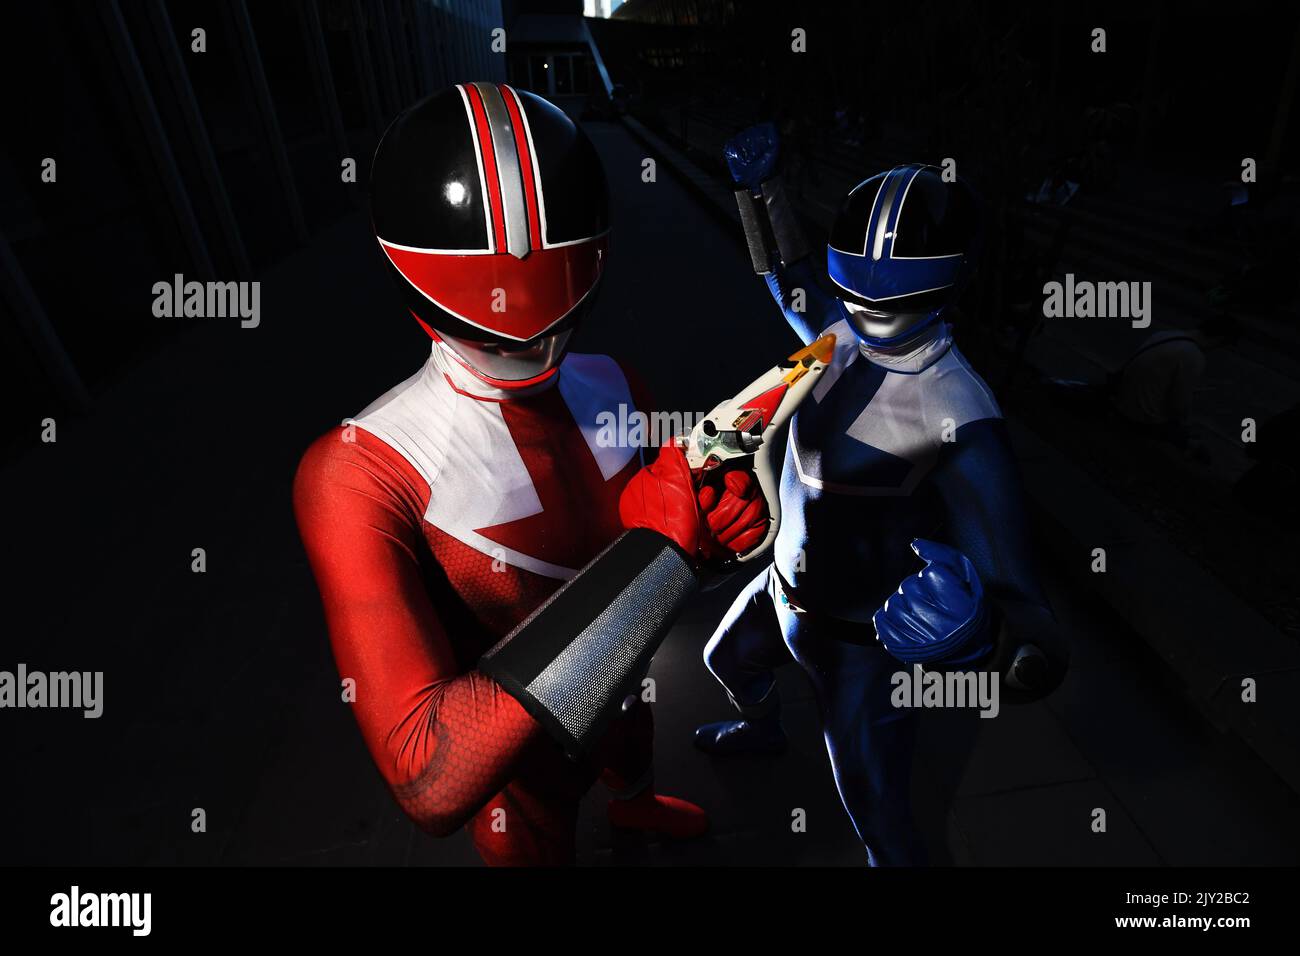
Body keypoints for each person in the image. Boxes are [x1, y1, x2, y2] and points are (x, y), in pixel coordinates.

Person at [293, 83, 766, 865]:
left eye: (556, 323)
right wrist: (665, 565)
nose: (534, 348)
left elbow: (664, 549)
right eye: (499, 333)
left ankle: (634, 806)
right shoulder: (357, 470)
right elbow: (427, 777)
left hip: (625, 695)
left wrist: (714, 540)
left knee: (631, 731)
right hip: (522, 764)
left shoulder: (616, 381)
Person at [699, 126, 1068, 865]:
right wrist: (757, 192)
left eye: (887, 305)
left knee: (880, 821)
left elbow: (1038, 632)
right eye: (855, 299)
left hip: (862, 651)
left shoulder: (959, 414)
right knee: (724, 662)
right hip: (781, 592)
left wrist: (984, 638)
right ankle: (765, 726)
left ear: (944, 289)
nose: (867, 318)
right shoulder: (837, 334)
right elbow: (790, 279)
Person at [1109, 314, 1239, 453]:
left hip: (1120, 399)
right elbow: (1178, 406)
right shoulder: (1193, 356)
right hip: (1141, 418)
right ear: (1219, 339)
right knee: (1196, 443)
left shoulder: (1164, 335)